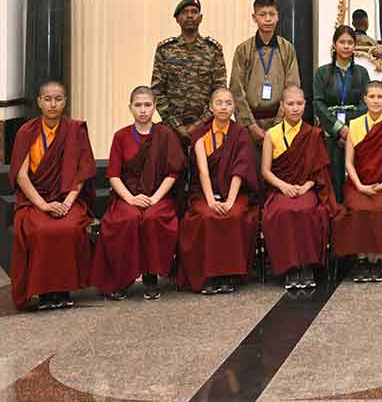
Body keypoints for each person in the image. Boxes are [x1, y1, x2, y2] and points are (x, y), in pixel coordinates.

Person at [91, 86, 185, 300]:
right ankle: (122, 279)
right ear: (130, 108)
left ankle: (151, 277)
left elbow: (173, 172)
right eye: (138, 105)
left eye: (148, 105)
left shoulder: (165, 134)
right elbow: (114, 175)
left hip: (157, 196)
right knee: (127, 219)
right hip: (127, 196)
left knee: (153, 218)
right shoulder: (121, 136)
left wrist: (154, 198)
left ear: (154, 107)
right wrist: (130, 199)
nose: (143, 110)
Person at [7, 82, 95, 311]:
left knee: (69, 228)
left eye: (58, 99)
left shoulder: (75, 130)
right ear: (39, 102)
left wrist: (66, 203)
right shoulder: (26, 132)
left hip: (68, 198)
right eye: (48, 99)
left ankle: (64, 290)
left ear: (66, 101)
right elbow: (21, 176)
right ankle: (45, 292)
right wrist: (44, 205)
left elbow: (82, 172)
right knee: (39, 230)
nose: (53, 104)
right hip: (36, 199)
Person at [178, 88, 259, 295]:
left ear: (234, 107)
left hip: (235, 191)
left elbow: (240, 170)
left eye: (229, 103)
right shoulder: (199, 134)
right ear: (211, 107)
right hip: (204, 192)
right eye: (219, 103)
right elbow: (203, 170)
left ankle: (229, 275)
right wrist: (211, 201)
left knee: (232, 215)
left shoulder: (240, 133)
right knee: (207, 215)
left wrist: (230, 200)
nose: (224, 107)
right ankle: (208, 276)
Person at [261, 86, 338, 290]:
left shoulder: (312, 134)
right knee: (282, 212)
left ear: (305, 105)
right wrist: (284, 186)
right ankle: (290, 268)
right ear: (282, 106)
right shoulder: (272, 134)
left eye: (299, 104)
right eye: (290, 104)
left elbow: (320, 170)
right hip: (281, 188)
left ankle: (307, 266)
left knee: (307, 210)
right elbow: (266, 171)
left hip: (305, 188)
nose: (295, 108)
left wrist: (306, 186)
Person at [333, 81, 382, 283]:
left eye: (380, 97)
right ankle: (361, 260)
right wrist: (358, 185)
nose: (376, 101)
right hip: (358, 183)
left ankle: (377, 260)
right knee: (358, 207)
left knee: (380, 207)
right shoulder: (355, 124)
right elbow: (348, 162)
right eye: (372, 97)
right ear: (365, 99)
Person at [151, 0, 228, 150]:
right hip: (172, 130)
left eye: (194, 12)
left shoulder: (213, 50)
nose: (190, 16)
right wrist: (177, 125)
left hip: (206, 129)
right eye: (185, 12)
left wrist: (199, 125)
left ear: (200, 18)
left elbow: (219, 92)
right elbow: (157, 92)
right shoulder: (165, 50)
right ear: (177, 19)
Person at [229, 0, 302, 142]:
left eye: (271, 14)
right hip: (250, 124)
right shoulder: (243, 49)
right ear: (254, 18)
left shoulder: (287, 49)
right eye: (262, 15)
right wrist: (251, 126)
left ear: (278, 17)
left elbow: (292, 87)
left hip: (281, 123)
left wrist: (278, 125)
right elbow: (236, 90)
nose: (268, 19)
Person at [312, 25, 371, 202]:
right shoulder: (322, 73)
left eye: (350, 42)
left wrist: (349, 128)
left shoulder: (362, 73)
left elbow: (365, 103)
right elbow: (318, 102)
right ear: (334, 44)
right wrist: (338, 128)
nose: (346, 46)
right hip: (329, 133)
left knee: (354, 173)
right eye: (342, 42)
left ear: (355, 46)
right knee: (333, 175)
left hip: (356, 133)